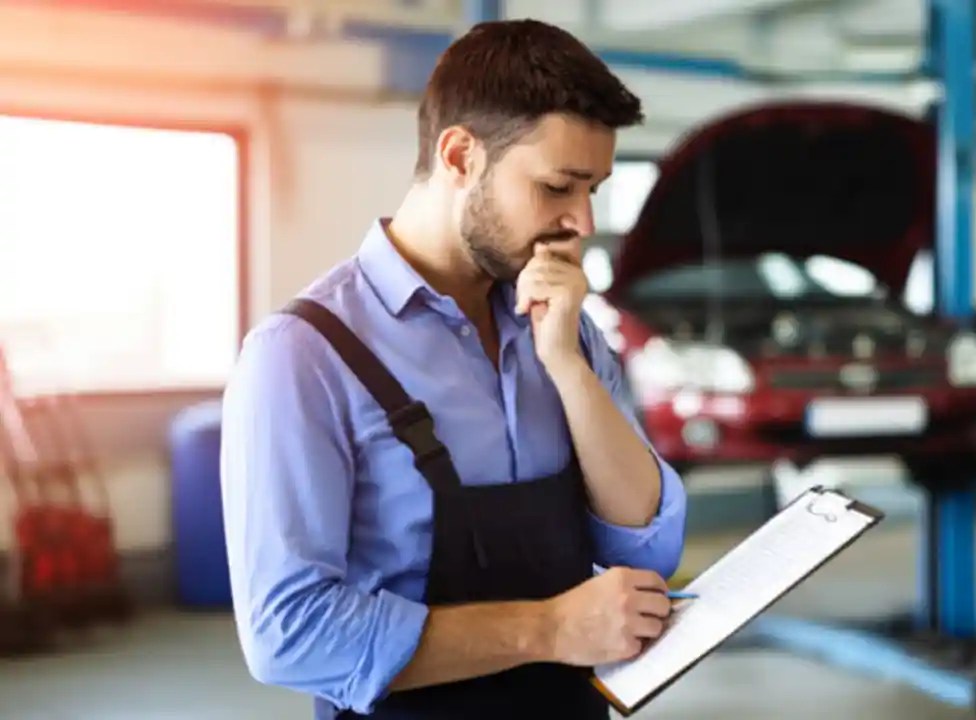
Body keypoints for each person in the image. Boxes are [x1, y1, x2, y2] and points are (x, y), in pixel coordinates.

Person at [219, 20, 688, 719]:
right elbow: (289, 634)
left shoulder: (563, 327)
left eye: (593, 189)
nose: (582, 222)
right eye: (558, 187)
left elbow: (648, 546)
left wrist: (566, 365)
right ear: (461, 156)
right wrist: (550, 629)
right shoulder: (302, 355)